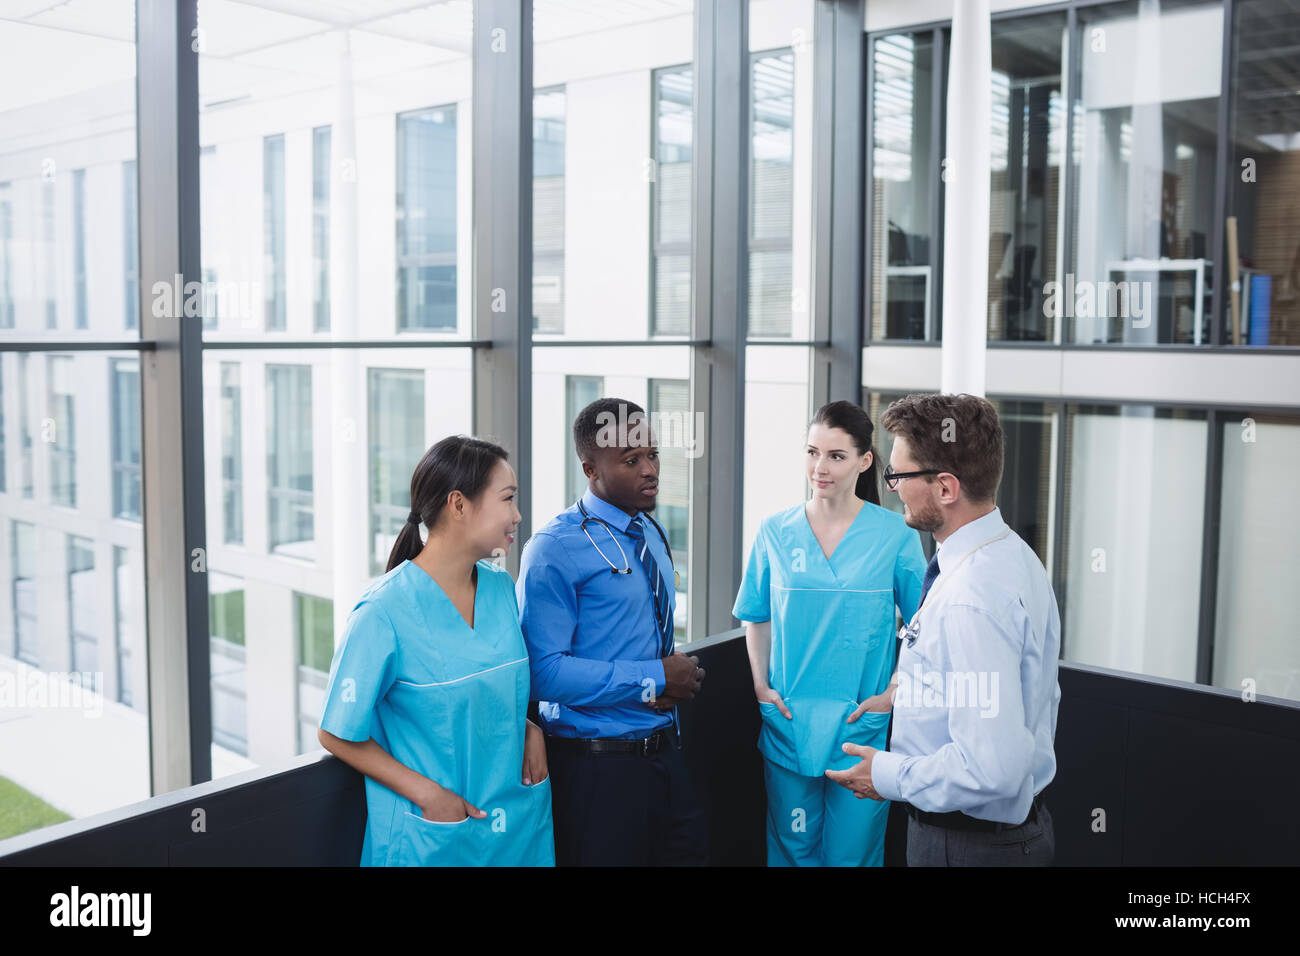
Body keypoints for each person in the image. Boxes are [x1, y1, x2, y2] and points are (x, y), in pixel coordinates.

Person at [826, 393, 1061, 867]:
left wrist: (887, 775)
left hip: (969, 847)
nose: (891, 488)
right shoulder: (1012, 554)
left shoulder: (970, 597)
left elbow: (989, 769)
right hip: (1000, 839)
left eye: (899, 475)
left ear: (946, 488)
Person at [317, 436, 554, 867]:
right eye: (507, 499)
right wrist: (429, 795)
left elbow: (483, 678)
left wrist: (524, 725)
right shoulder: (382, 612)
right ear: (458, 505)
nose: (518, 515)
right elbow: (336, 731)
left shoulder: (501, 589)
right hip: (436, 838)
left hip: (514, 827)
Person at [733, 400, 926, 867]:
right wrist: (761, 685)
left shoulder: (895, 534)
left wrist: (893, 693)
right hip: (789, 722)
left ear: (864, 462)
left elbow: (925, 625)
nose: (820, 467)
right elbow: (755, 614)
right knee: (791, 849)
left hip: (861, 726)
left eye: (836, 456)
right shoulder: (775, 531)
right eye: (812, 452)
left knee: (851, 856)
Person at [517, 397, 709, 866]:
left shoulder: (651, 532)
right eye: (631, 460)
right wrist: (654, 678)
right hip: (597, 769)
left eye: (654, 455)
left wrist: (666, 676)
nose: (650, 470)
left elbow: (638, 638)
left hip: (665, 753)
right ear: (590, 468)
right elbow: (542, 673)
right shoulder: (554, 548)